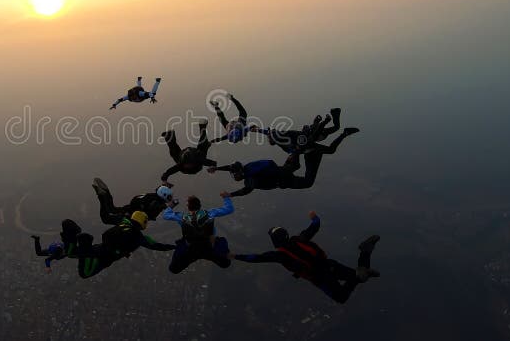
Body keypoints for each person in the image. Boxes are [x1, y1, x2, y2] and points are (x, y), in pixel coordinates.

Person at [231, 211, 380, 304]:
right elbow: (315, 226)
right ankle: (364, 253)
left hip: (320, 278)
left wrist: (236, 256)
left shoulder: (280, 255)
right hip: (329, 265)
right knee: (358, 273)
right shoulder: (299, 239)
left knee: (341, 297)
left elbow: (256, 258)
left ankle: (361, 271)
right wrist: (314, 217)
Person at [209, 127, 359, 196]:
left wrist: (230, 195)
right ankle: (302, 149)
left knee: (308, 181)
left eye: (235, 175)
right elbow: (232, 167)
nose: (235, 177)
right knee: (296, 159)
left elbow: (245, 190)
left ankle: (303, 150)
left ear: (240, 173)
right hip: (283, 169)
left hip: (283, 179)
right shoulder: (248, 168)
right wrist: (218, 169)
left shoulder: (250, 179)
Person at [75, 211, 175, 278]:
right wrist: (174, 246)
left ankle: (79, 243)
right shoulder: (138, 236)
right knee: (85, 273)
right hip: (106, 257)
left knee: (81, 254)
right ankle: (84, 241)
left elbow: (107, 218)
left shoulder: (124, 221)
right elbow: (156, 246)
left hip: (101, 246)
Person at [162, 192, 234, 273]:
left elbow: (166, 215)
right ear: (199, 206)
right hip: (209, 247)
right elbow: (229, 209)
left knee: (173, 269)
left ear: (188, 207)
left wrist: (172, 204)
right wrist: (226, 197)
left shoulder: (182, 217)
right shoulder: (210, 214)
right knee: (226, 263)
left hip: (190, 250)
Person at [249, 108, 344, 156]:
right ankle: (335, 114)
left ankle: (330, 119)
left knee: (316, 137)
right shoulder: (280, 138)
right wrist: (257, 130)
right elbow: (268, 132)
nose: (269, 136)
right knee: (334, 129)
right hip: (309, 135)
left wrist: (256, 130)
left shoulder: (281, 139)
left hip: (309, 136)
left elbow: (268, 132)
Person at [92, 177, 177, 225]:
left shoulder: (154, 195)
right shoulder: (157, 203)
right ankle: (102, 195)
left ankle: (105, 193)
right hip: (131, 217)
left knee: (112, 209)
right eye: (169, 197)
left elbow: (160, 190)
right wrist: (168, 205)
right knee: (106, 219)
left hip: (129, 209)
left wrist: (166, 187)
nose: (169, 199)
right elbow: (156, 206)